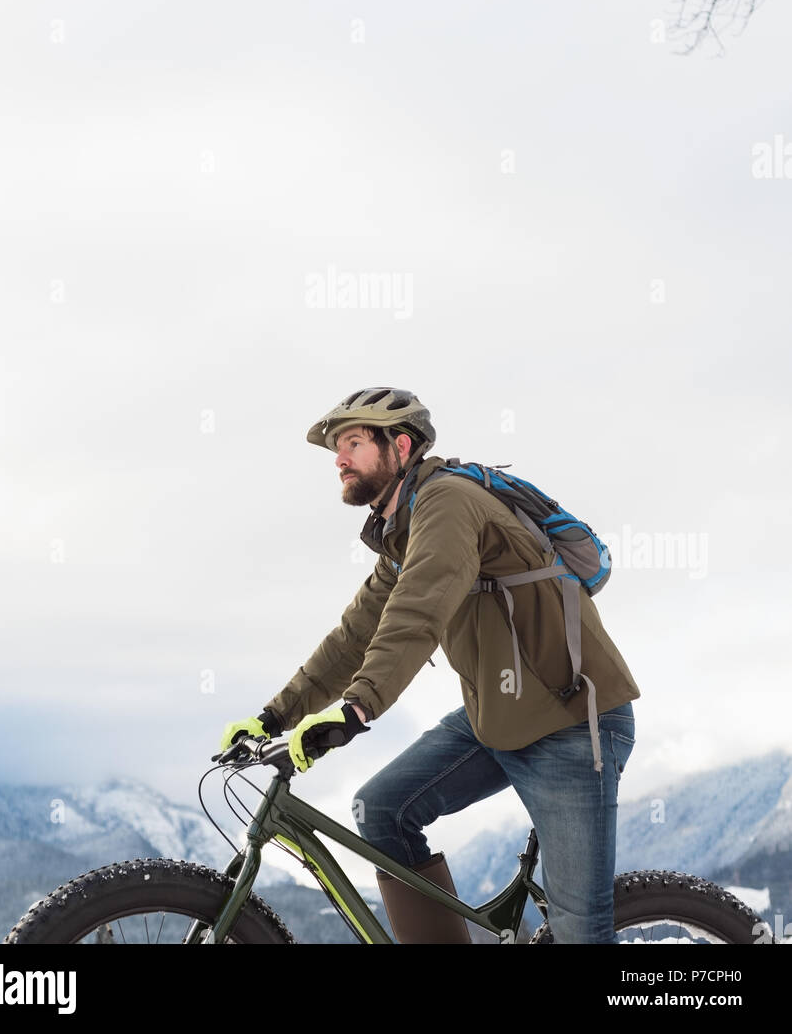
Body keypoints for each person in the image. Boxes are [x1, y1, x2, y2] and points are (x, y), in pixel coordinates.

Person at [219, 388, 640, 944]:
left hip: (570, 721)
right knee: (382, 809)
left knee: (581, 933)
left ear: (399, 445)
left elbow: (419, 608)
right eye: (335, 451)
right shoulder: (405, 531)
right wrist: (274, 716)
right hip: (498, 716)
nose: (339, 459)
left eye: (351, 444)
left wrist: (357, 706)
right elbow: (353, 638)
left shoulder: (446, 504)